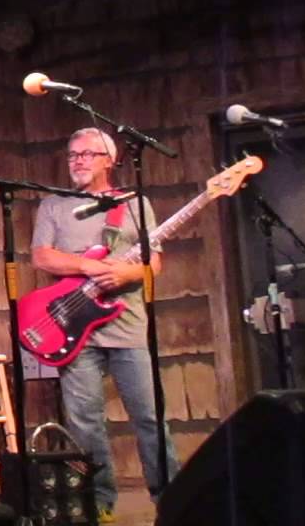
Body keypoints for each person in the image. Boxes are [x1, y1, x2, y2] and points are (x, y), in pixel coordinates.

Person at [30, 127, 180, 522]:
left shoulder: (134, 204)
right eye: (72, 154)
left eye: (87, 154)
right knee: (84, 423)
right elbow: (42, 257)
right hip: (73, 331)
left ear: (109, 161)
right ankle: (98, 505)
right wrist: (90, 266)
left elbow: (153, 262)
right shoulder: (53, 206)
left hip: (128, 327)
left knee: (150, 417)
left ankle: (172, 501)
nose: (77, 161)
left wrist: (126, 274)